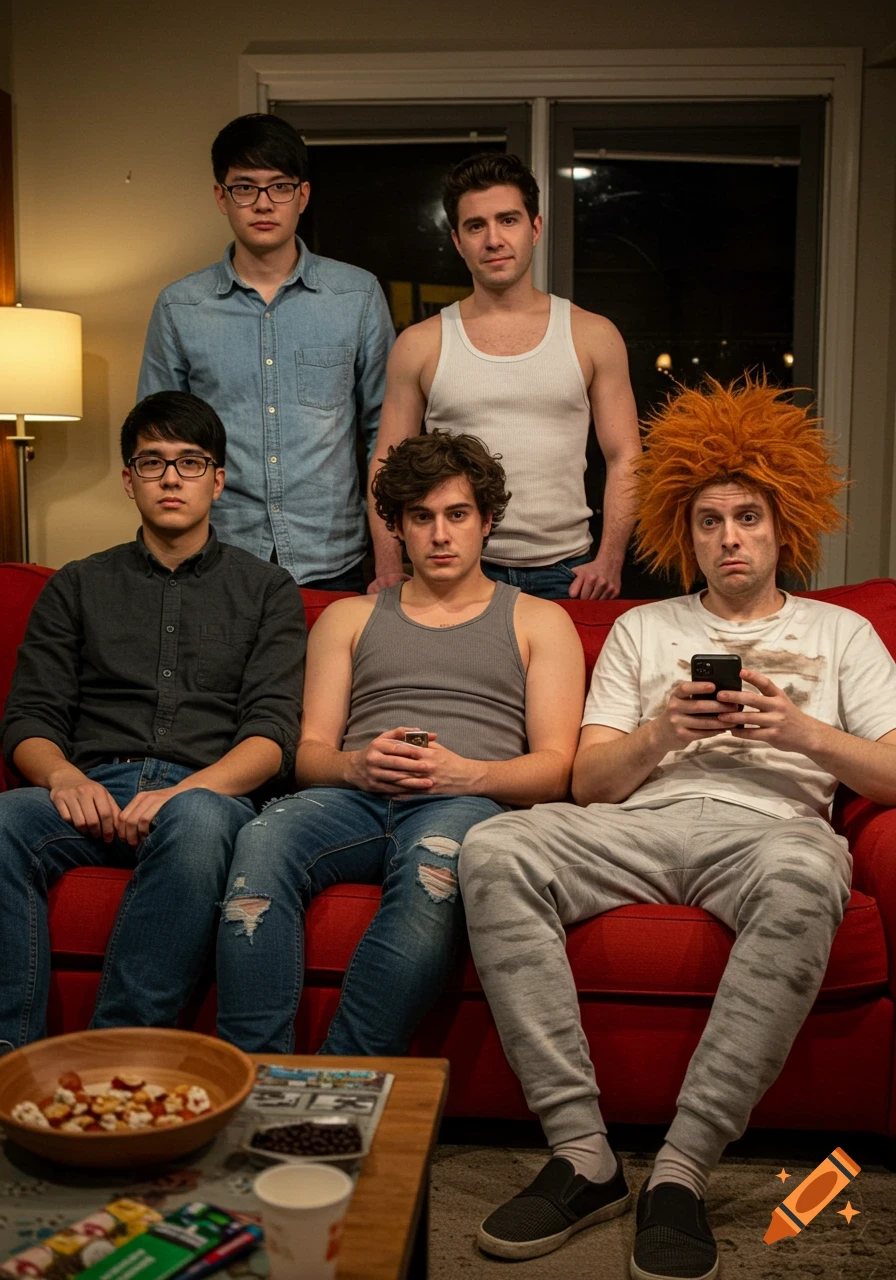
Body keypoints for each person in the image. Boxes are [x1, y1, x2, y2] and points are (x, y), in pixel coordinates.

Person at [459, 375, 896, 1280]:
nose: (728, 538)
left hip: (771, 829)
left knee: (811, 876)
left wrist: (801, 732)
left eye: (746, 518)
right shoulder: (642, 629)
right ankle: (583, 1156)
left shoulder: (844, 631)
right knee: (496, 846)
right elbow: (588, 781)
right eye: (708, 521)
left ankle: (683, 1173)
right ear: (681, 532)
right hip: (641, 824)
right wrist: (664, 730)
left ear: (783, 525)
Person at [215, 429, 584, 1055]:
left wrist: (465, 774)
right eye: (421, 517)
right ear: (399, 527)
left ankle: (342, 1078)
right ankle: (252, 1073)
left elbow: (557, 771)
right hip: (351, 799)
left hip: (464, 803)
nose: (440, 535)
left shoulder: (539, 619)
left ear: (487, 521)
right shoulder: (348, 617)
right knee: (260, 836)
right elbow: (308, 756)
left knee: (433, 874)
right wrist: (355, 765)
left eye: (457, 515)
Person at [0, 391, 306, 1049]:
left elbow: (272, 737)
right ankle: (9, 1064)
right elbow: (29, 716)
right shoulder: (77, 585)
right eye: (152, 462)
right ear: (128, 480)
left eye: (190, 462)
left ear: (218, 480)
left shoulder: (266, 589)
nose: (171, 478)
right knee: (4, 822)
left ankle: (120, 1053)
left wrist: (184, 791)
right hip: (89, 792)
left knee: (195, 822)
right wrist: (61, 777)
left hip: (206, 794)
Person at [367, 152, 641, 601]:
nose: (493, 239)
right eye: (476, 226)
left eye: (508, 220)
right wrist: (387, 564)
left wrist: (610, 559)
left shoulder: (593, 335)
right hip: (453, 571)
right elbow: (385, 462)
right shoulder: (420, 344)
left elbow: (626, 455)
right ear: (457, 241)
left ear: (534, 228)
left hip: (568, 574)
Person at [138, 113, 394, 590]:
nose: (263, 204)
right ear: (221, 196)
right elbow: (155, 443)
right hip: (215, 555)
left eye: (279, 187)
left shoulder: (356, 296)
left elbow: (386, 431)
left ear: (303, 195)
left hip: (333, 557)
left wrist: (391, 562)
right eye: (244, 187)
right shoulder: (180, 306)